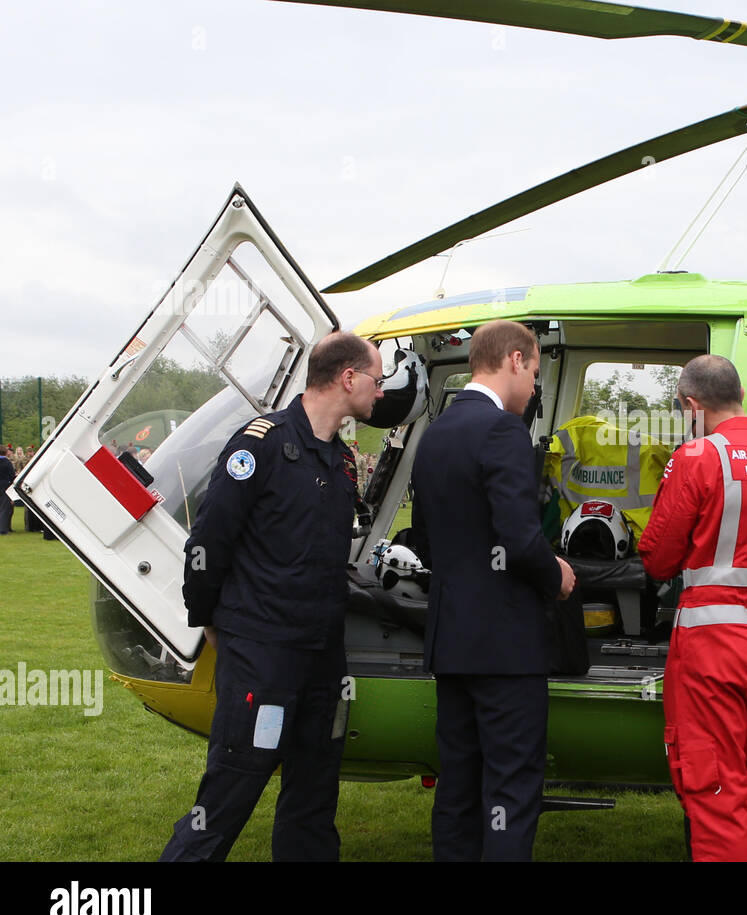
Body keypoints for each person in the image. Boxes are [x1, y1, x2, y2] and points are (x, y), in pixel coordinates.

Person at [160, 331, 384, 862]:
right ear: (348, 377)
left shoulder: (340, 460)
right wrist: (208, 617)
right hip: (264, 651)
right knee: (233, 786)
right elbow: (209, 542)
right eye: (377, 379)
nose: (382, 391)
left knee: (314, 792)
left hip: (321, 655)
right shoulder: (259, 443)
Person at [638, 354, 747, 862]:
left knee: (715, 790)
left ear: (692, 405)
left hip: (711, 649)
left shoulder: (697, 458)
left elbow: (658, 557)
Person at [409, 319, 575, 861]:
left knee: (459, 784)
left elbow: (426, 542)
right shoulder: (502, 431)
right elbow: (520, 540)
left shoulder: (437, 434)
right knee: (510, 785)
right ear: (515, 361)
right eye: (534, 371)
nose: (533, 387)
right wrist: (557, 574)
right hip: (504, 646)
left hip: (452, 640)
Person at [0, 447, 15, 534]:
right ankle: (3, 529)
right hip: (4, 486)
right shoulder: (6, 462)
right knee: (4, 507)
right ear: (5, 453)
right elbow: (12, 475)